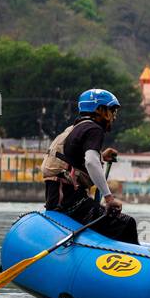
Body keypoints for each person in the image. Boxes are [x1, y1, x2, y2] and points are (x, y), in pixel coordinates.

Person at [40, 88, 138, 244]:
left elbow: (78, 156)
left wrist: (102, 156)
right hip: (71, 204)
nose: (114, 116)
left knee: (112, 223)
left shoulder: (77, 127)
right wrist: (109, 198)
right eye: (112, 110)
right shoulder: (94, 129)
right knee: (126, 223)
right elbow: (91, 161)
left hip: (57, 200)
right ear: (99, 110)